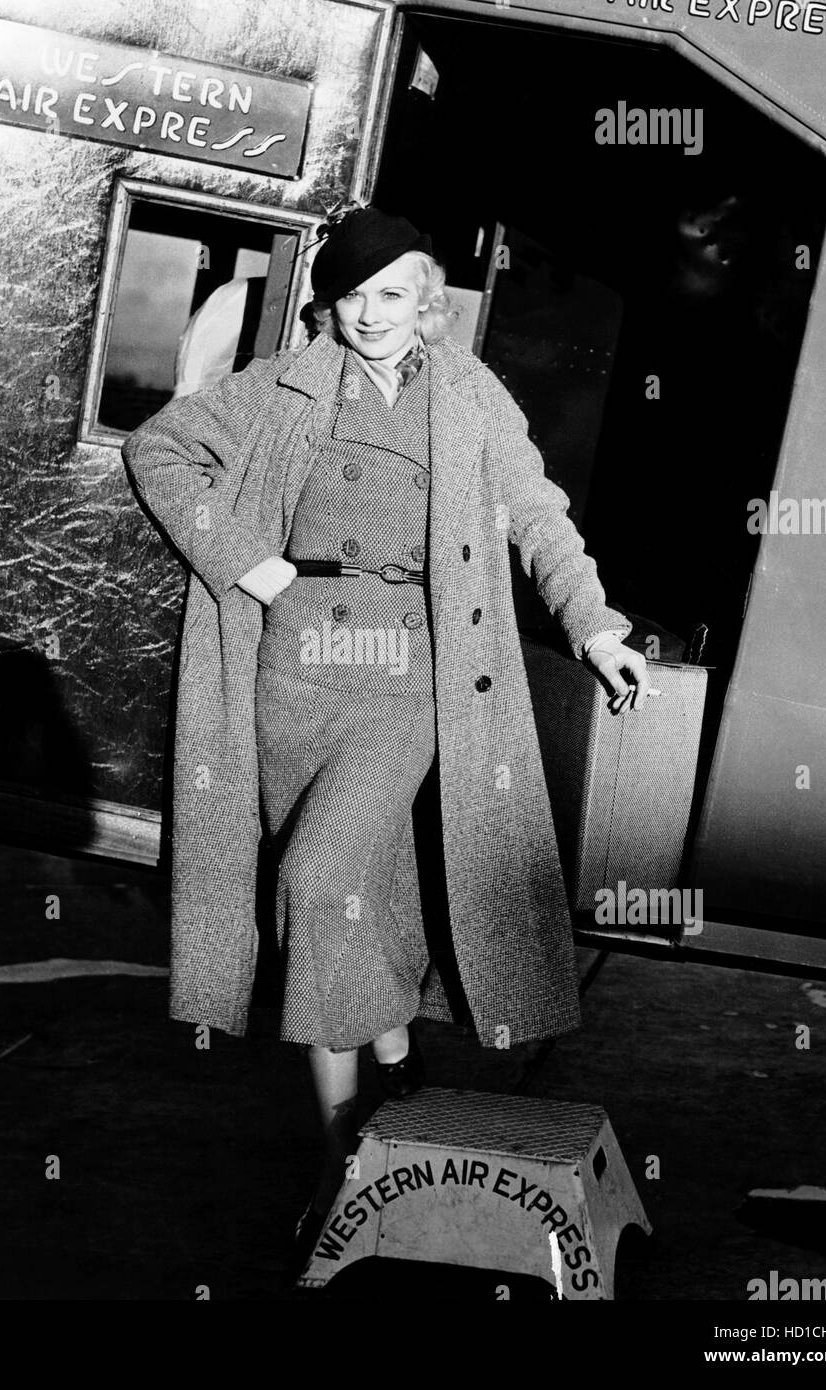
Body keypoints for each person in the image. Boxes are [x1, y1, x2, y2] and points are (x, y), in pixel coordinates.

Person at [121, 207, 653, 1272]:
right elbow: (158, 447)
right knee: (354, 888)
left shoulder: (467, 395)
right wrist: (244, 561)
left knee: (319, 880)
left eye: (393, 295)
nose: (371, 315)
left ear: (428, 303)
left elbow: (537, 516)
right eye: (354, 296)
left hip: (411, 674)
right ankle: (393, 1059)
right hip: (290, 674)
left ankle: (334, 1162)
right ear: (332, 300)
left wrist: (593, 623)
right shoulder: (283, 385)